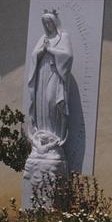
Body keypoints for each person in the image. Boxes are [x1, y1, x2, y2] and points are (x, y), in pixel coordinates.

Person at [25, 9, 73, 162]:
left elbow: (68, 56)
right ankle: (43, 136)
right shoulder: (43, 38)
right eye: (45, 23)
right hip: (42, 72)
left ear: (54, 22)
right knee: (42, 103)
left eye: (49, 22)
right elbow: (34, 55)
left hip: (55, 74)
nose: (47, 25)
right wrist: (40, 52)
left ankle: (55, 136)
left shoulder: (63, 37)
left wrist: (51, 50)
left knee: (52, 101)